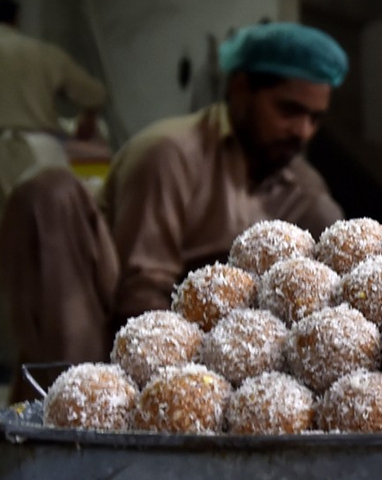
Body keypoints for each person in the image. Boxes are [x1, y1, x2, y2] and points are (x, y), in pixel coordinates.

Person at [0, 22, 348, 402]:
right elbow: (140, 294)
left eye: (315, 119)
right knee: (50, 193)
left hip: (223, 360)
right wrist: (187, 384)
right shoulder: (171, 153)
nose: (302, 131)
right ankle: (67, 410)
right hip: (120, 333)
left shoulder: (304, 187)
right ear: (240, 88)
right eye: (288, 110)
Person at [0, 0, 107, 387]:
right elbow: (94, 93)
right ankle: (37, 370)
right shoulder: (42, 53)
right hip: (37, 159)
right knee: (44, 270)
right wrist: (88, 119)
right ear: (15, 16)